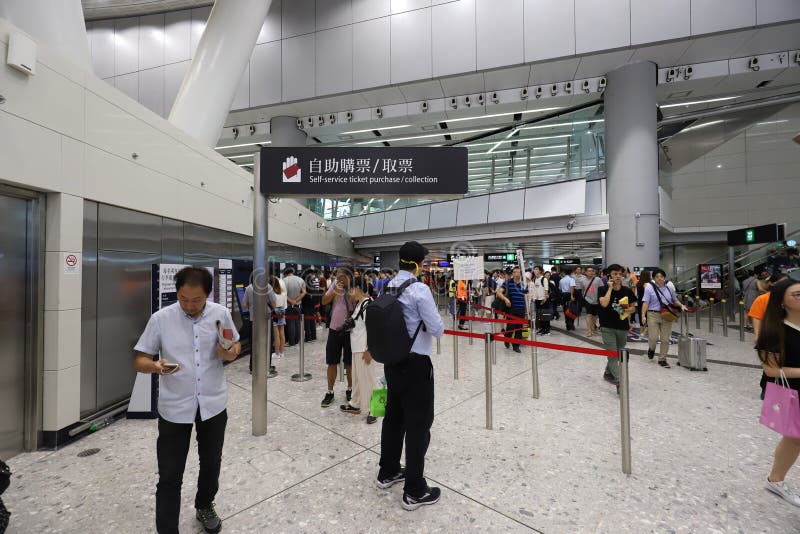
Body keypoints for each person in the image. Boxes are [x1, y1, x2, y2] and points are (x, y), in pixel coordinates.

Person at [133, 267, 241, 534]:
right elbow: (140, 360)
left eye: (196, 300)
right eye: (183, 298)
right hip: (174, 408)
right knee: (169, 475)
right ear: (177, 292)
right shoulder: (161, 319)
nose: (190, 306)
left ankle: (205, 505)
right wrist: (156, 365)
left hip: (213, 404)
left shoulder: (221, 314)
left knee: (211, 462)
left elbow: (234, 347)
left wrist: (228, 352)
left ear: (208, 294)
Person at [377, 241, 445, 510]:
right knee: (418, 425)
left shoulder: (389, 285)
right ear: (419, 263)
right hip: (416, 366)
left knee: (393, 418)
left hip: (392, 363)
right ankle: (415, 490)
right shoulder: (420, 289)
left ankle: (388, 471)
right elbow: (437, 329)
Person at [754, 277, 800, 508]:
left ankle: (775, 479)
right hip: (792, 390)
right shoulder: (774, 331)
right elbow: (771, 369)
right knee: (795, 439)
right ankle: (776, 479)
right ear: (782, 301)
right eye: (797, 294)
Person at [339, 277, 379, 424]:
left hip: (364, 349)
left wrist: (369, 350)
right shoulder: (359, 305)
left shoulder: (369, 305)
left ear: (358, 288)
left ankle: (375, 409)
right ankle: (355, 404)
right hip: (357, 348)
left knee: (369, 380)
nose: (350, 293)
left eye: (351, 289)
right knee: (357, 379)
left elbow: (374, 329)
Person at [598, 264, 637, 390]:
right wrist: (610, 289)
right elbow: (604, 303)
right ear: (609, 275)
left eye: (620, 274)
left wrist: (624, 309)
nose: (618, 276)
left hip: (622, 326)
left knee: (618, 353)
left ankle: (608, 372)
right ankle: (620, 382)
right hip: (607, 326)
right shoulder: (602, 289)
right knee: (613, 354)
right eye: (615, 274)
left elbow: (633, 308)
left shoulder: (627, 291)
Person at [320, 268, 354, 407]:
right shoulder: (334, 285)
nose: (339, 279)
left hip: (351, 331)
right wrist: (335, 291)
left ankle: (350, 389)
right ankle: (330, 391)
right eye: (338, 276)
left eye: (342, 276)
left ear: (348, 277)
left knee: (350, 363)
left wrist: (349, 289)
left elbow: (359, 302)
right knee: (332, 362)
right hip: (335, 329)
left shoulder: (355, 287)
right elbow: (323, 301)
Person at [640, 269, 687, 368]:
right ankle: (651, 348)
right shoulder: (649, 288)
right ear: (654, 278)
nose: (659, 278)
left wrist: (681, 305)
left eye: (661, 276)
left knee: (665, 339)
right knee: (653, 338)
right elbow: (645, 303)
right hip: (653, 314)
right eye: (657, 276)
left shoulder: (669, 288)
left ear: (664, 277)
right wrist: (643, 316)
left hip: (667, 315)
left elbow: (674, 300)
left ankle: (662, 359)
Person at [242, 279, 276, 375]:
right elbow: (274, 303)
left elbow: (244, 305)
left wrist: (252, 307)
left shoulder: (248, 288)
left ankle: (253, 367)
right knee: (267, 342)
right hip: (266, 320)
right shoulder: (268, 287)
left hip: (254, 320)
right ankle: (266, 366)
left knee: (254, 343)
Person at [496, 267, 528, 352]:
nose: (516, 274)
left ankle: (516, 346)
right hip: (511, 308)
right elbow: (498, 292)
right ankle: (507, 338)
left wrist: (528, 310)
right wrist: (506, 299)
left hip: (521, 308)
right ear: (512, 274)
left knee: (519, 328)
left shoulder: (524, 283)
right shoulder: (507, 283)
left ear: (521, 274)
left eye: (518, 272)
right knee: (511, 327)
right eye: (515, 272)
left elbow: (526, 296)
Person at [282, 268, 307, 346]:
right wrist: (296, 300)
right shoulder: (300, 280)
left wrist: (291, 301)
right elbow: (304, 292)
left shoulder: (283, 281)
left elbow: (283, 294)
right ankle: (297, 340)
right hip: (298, 305)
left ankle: (291, 342)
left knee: (291, 323)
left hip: (288, 305)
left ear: (285, 273)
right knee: (297, 323)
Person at [580, 267, 603, 337]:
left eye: (592, 271)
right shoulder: (582, 280)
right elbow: (582, 290)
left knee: (595, 316)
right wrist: (584, 297)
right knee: (589, 315)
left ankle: (593, 327)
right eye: (589, 271)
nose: (591, 272)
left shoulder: (598, 279)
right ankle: (589, 330)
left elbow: (602, 289)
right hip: (587, 300)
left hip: (597, 300)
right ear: (586, 272)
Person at [270, 275, 287, 361]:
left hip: (275, 311)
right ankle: (282, 352)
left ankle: (277, 353)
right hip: (282, 310)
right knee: (282, 333)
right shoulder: (283, 293)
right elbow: (284, 305)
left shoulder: (271, 293)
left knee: (276, 334)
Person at [531, 266, 551, 336]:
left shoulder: (544, 279)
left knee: (545, 315)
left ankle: (547, 329)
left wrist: (545, 299)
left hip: (543, 300)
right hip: (537, 300)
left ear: (540, 271)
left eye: (536, 269)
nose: (535, 270)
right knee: (539, 316)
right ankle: (542, 328)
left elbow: (546, 289)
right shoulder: (534, 279)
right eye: (534, 269)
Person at [635, 270, 652, 334]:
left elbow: (637, 294)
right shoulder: (649, 284)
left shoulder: (638, 283)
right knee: (647, 315)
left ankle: (641, 329)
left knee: (641, 314)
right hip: (647, 301)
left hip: (640, 301)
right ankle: (646, 330)